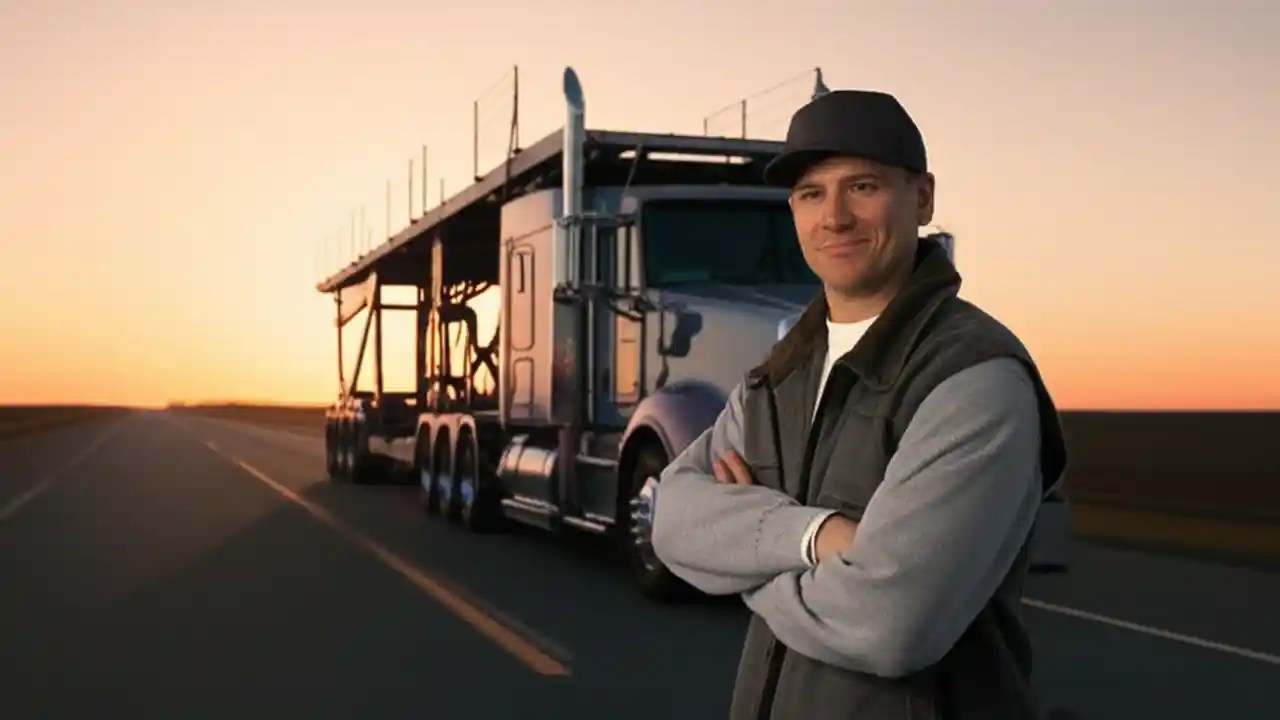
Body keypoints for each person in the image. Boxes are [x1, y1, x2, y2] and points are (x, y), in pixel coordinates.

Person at [649, 88, 1069, 719]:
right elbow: (671, 523)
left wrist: (740, 558)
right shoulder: (778, 375)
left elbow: (890, 625)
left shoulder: (974, 380)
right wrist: (814, 537)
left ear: (922, 198)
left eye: (863, 187)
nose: (834, 217)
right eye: (811, 194)